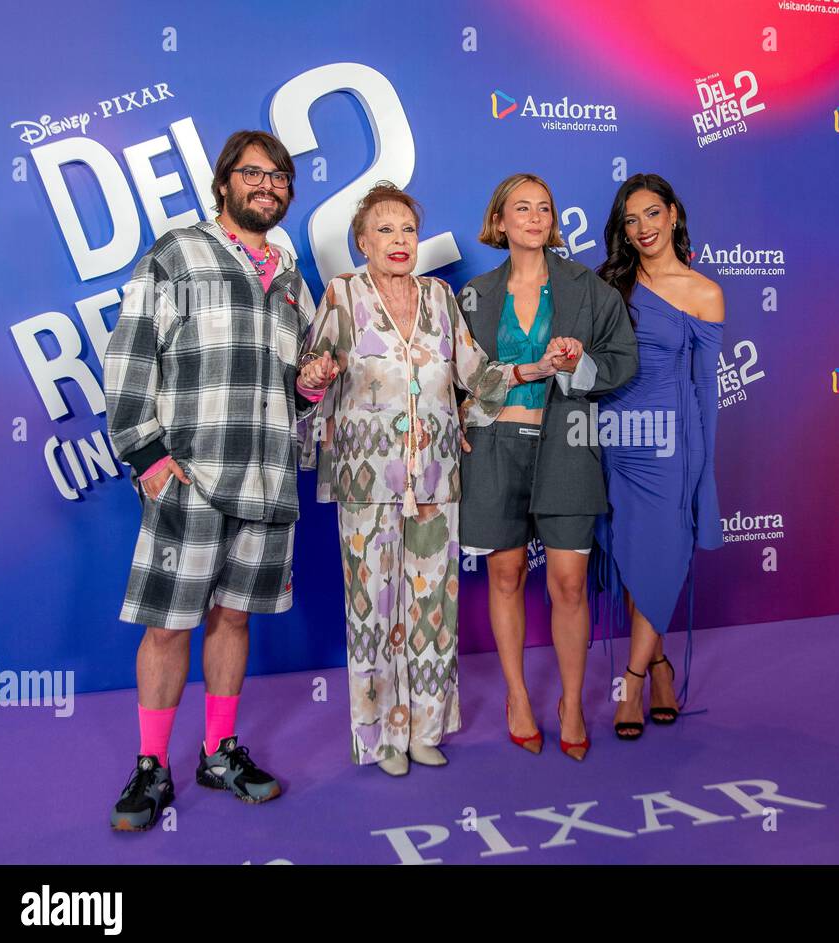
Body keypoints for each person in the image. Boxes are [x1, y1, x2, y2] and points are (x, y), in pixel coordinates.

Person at [299, 183, 566, 775]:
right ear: (361, 242)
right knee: (373, 609)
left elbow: (476, 374)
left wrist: (537, 367)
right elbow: (307, 380)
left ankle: (424, 728)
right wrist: (315, 375)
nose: (399, 242)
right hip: (367, 479)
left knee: (431, 607)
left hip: (438, 475)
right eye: (385, 231)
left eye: (408, 231)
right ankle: (382, 738)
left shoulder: (442, 298)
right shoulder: (342, 296)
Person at [104, 130, 317, 830]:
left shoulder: (288, 273)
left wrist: (313, 384)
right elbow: (131, 355)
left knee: (233, 617)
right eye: (252, 173)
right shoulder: (177, 253)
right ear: (223, 182)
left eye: (279, 175)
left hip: (265, 478)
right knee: (169, 626)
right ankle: (151, 765)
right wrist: (149, 458)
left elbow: (295, 378)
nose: (268, 184)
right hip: (190, 476)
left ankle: (219, 750)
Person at [457, 173, 638, 760]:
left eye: (544, 208)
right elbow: (456, 378)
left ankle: (572, 702)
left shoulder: (587, 289)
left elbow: (623, 359)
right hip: (493, 449)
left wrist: (581, 362)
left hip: (568, 443)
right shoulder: (475, 295)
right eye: (521, 208)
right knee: (506, 576)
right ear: (500, 220)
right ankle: (516, 696)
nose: (534, 217)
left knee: (567, 583)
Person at [593, 173, 724, 740]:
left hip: (671, 447)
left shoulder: (704, 292)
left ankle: (633, 679)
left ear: (673, 214)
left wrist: (704, 473)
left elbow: (706, 393)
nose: (642, 228)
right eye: (630, 219)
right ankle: (662, 666)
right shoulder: (610, 284)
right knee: (633, 553)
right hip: (614, 437)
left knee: (663, 553)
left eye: (651, 214)